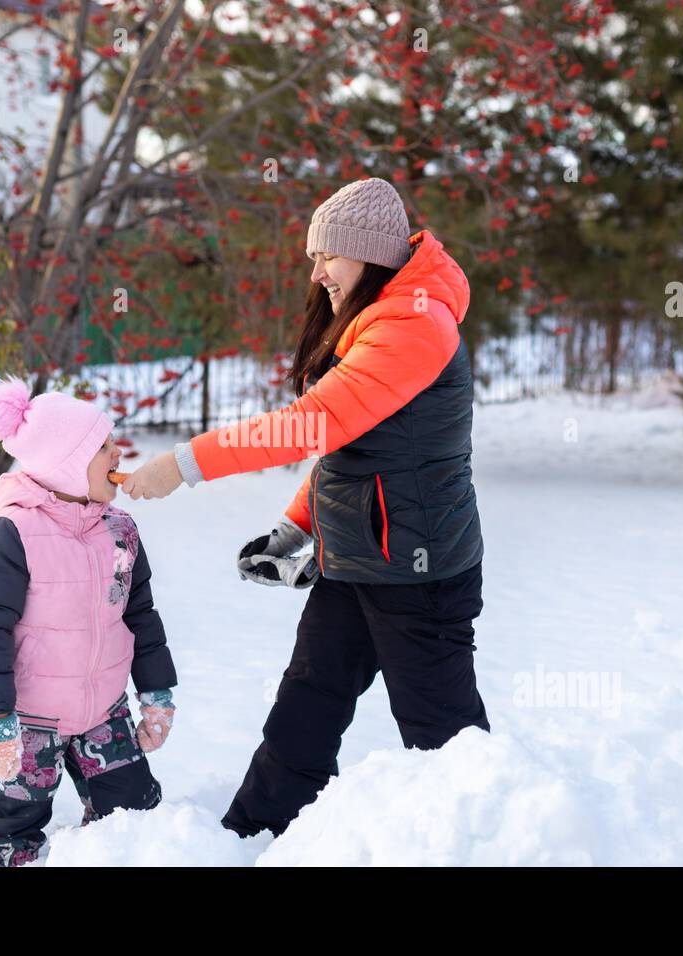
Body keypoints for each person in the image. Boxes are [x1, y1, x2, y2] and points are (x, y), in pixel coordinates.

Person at [121, 177, 489, 838]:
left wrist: (181, 465)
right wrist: (295, 526)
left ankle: (495, 840)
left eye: (329, 257)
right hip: (359, 559)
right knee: (306, 708)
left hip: (417, 572)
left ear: (371, 255)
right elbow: (348, 450)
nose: (317, 273)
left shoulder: (412, 325)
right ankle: (255, 834)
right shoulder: (384, 314)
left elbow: (309, 427)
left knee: (445, 739)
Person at [0, 377, 178, 866]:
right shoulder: (10, 536)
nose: (118, 453)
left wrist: (157, 693)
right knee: (12, 832)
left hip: (104, 713)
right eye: (103, 446)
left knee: (137, 819)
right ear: (67, 465)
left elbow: (140, 614)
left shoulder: (120, 531)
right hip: (29, 722)